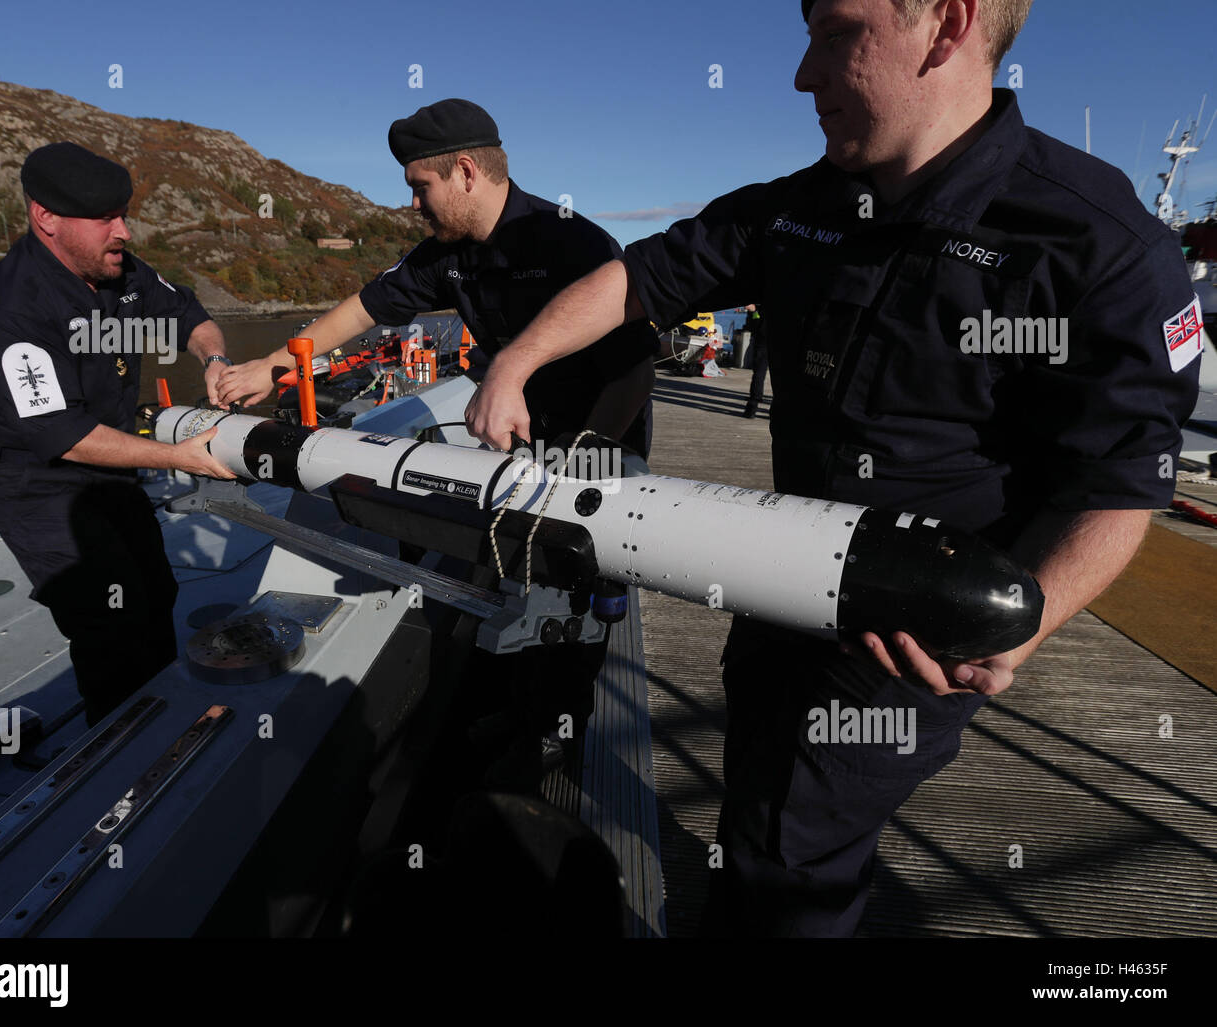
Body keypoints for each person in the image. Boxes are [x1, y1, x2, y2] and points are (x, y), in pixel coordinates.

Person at [463, 0, 1202, 935]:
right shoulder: (799, 209)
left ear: (948, 24)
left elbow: (1124, 480)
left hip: (907, 639)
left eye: (835, 34)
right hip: (775, 593)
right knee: (759, 799)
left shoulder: (1100, 245)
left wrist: (1020, 621)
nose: (802, 75)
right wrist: (516, 359)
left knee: (791, 851)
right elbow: (643, 276)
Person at [218, 99, 658, 787]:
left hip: (599, 437)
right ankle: (522, 711)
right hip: (523, 436)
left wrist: (582, 456)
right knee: (523, 578)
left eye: (419, 188)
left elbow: (635, 364)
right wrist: (272, 364)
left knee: (575, 599)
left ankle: (556, 737)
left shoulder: (570, 242)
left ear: (463, 172)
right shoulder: (445, 257)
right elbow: (364, 309)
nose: (413, 205)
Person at [0, 141, 236, 726]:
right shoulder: (8, 314)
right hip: (35, 481)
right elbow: (63, 434)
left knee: (154, 590)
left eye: (124, 215)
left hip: (109, 466)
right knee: (109, 619)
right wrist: (178, 456)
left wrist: (213, 362)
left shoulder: (119, 273)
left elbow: (189, 314)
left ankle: (164, 707)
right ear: (46, 218)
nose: (124, 232)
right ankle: (119, 746)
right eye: (105, 218)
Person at [740, 304, 770, 418]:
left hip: (764, 340)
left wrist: (754, 312)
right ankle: (754, 404)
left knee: (759, 373)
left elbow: (755, 323)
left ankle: (753, 405)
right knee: (760, 373)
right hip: (770, 339)